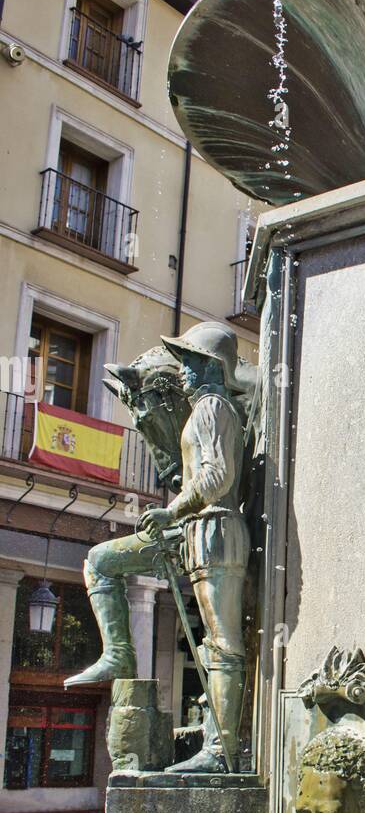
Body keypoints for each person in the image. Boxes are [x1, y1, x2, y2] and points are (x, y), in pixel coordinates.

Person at [65, 322, 251, 774]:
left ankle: (220, 753)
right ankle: (118, 654)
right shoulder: (203, 409)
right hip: (196, 528)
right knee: (101, 561)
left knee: (223, 647)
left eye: (188, 359)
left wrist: (174, 509)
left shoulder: (210, 408)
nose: (182, 368)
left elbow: (216, 477)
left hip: (213, 528)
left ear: (210, 365)